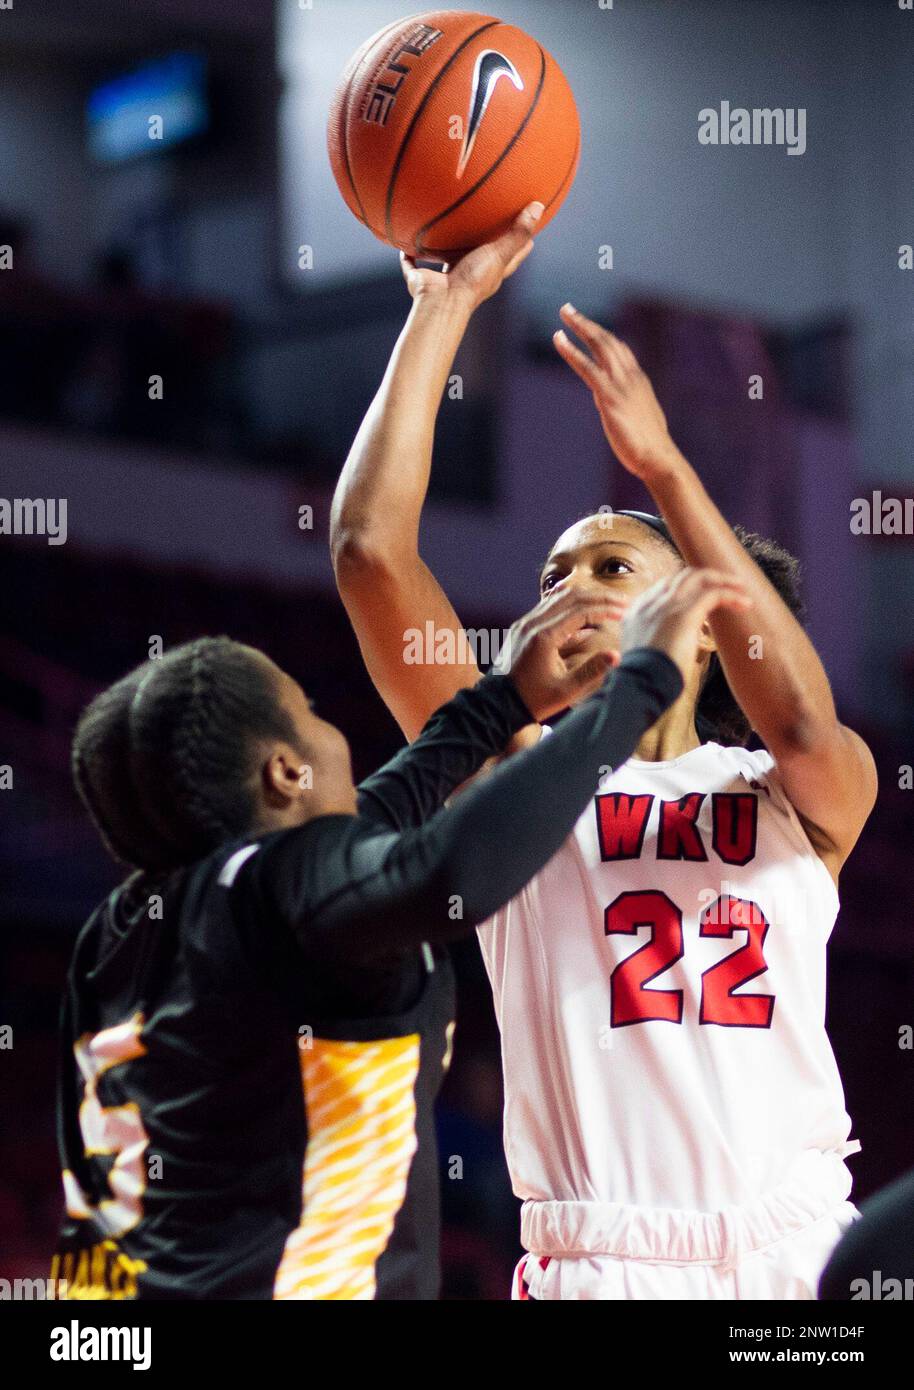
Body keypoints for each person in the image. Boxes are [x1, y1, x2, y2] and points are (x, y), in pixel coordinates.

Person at [330, 202, 878, 1300]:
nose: (570, 588)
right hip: (606, 1263)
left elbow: (804, 720)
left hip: (797, 1242)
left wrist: (664, 468)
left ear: (697, 607)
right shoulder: (513, 779)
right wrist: (442, 312)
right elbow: (368, 552)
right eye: (550, 576)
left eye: (610, 569)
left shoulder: (794, 793)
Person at [50, 571, 742, 1300]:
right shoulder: (289, 888)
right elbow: (446, 872)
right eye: (308, 711)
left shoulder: (122, 927)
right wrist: (640, 685)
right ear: (286, 771)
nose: (326, 723)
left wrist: (502, 702)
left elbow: (372, 828)